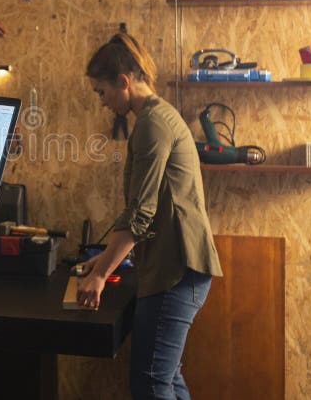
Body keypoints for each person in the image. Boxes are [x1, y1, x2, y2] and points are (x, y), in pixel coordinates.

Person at [75, 32, 223, 400]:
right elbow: (142, 211)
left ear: (123, 83)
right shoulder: (155, 117)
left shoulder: (152, 125)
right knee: (166, 380)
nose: (102, 101)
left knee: (151, 384)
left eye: (102, 92)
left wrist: (101, 275)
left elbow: (140, 214)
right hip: (177, 269)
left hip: (177, 271)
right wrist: (101, 264)